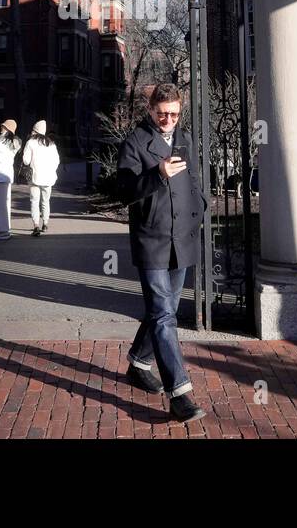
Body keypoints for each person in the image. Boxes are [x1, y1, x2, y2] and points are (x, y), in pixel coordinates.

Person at [116, 83, 207, 423]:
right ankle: (180, 393)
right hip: (152, 241)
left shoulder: (185, 138)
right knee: (164, 315)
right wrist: (157, 174)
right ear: (151, 110)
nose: (168, 120)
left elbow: (195, 179)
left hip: (182, 238)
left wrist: (200, 206)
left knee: (163, 310)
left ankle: (139, 362)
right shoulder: (135, 143)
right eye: (162, 114)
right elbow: (124, 190)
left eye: (174, 114)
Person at [21, 120, 61, 236]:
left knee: (34, 201)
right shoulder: (51, 144)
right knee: (45, 201)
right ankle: (45, 223)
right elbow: (57, 161)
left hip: (34, 177)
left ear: (35, 131)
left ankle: (36, 225)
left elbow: (26, 160)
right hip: (48, 177)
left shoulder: (30, 142)